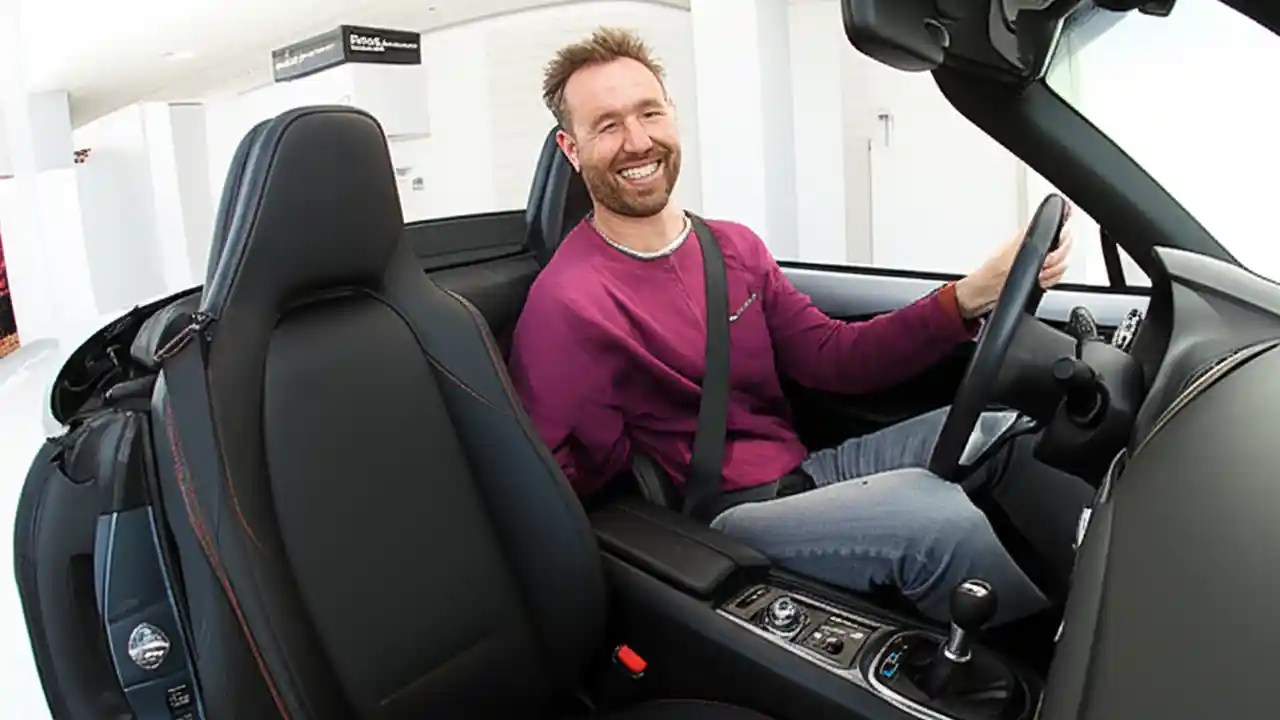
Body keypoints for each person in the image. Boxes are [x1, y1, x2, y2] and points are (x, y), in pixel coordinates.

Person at [507, 27, 1073, 626]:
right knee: (937, 519)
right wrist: (615, 448)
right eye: (608, 125)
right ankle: (1059, 673)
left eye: (649, 113)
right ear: (572, 149)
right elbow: (550, 479)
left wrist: (967, 298)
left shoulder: (733, 248)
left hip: (807, 471)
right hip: (725, 517)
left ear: (673, 116)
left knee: (1010, 429)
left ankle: (1098, 601)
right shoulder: (567, 303)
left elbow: (834, 357)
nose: (638, 141)